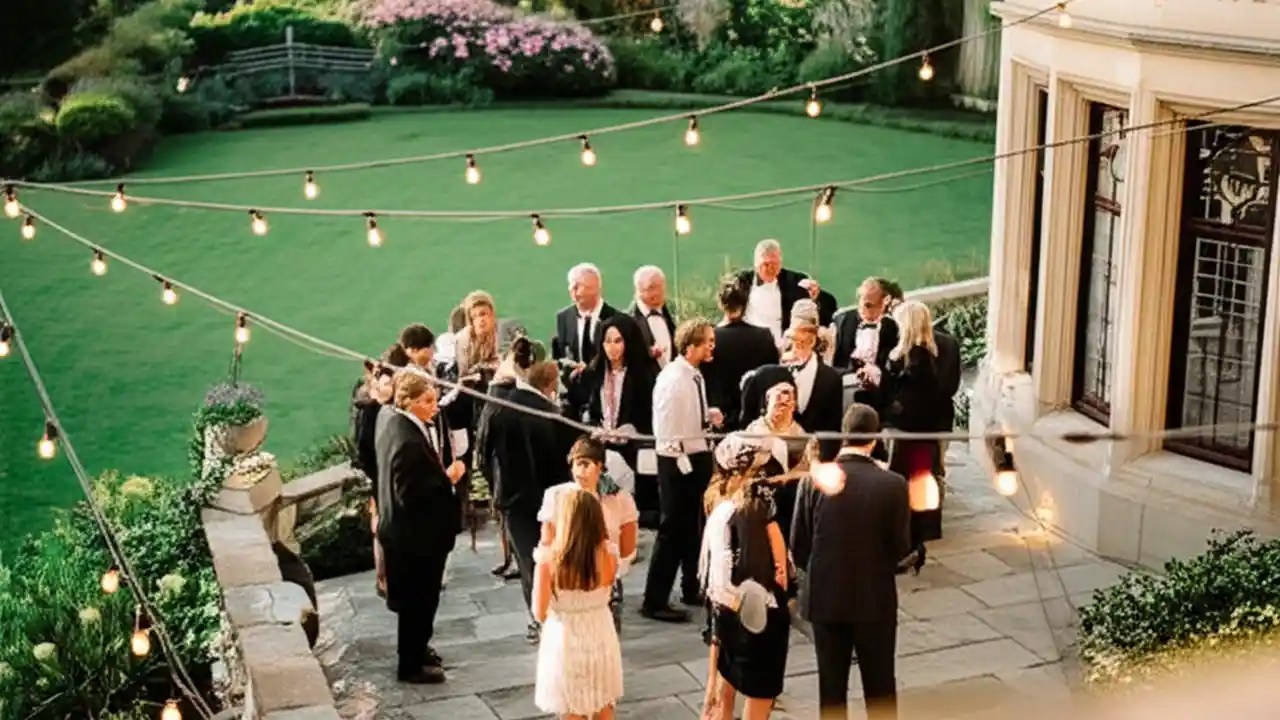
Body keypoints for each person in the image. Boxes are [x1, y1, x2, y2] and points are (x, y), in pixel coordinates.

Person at [791, 403, 911, 719]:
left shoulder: (812, 482)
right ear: (874, 439)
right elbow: (899, 549)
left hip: (826, 599)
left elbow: (799, 547)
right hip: (874, 599)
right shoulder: (893, 484)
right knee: (880, 685)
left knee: (831, 689)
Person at [374, 371, 467, 684]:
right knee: (419, 601)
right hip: (416, 539)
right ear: (409, 402)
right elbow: (411, 493)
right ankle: (410, 664)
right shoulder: (408, 441)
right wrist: (449, 478)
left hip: (408, 535)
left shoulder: (390, 422)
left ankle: (418, 648)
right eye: (427, 401)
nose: (435, 406)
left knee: (420, 602)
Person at [698, 433, 791, 720]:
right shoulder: (764, 513)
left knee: (728, 691)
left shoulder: (719, 512)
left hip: (729, 616)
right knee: (759, 698)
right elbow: (782, 572)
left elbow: (717, 582)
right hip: (765, 617)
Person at [488, 359, 576, 642]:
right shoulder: (554, 416)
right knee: (550, 558)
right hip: (549, 500)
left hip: (515, 501)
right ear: (551, 385)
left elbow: (485, 454)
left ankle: (537, 617)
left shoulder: (501, 407)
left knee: (530, 562)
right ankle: (551, 616)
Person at [642, 318, 723, 623]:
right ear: (691, 347)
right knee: (672, 531)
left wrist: (707, 416)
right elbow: (666, 431)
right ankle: (654, 600)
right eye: (708, 342)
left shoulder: (691, 376)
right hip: (679, 464)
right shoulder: (673, 379)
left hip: (694, 457)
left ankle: (691, 585)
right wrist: (684, 465)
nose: (712, 347)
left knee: (692, 529)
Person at [532, 490, 624, 719]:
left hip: (565, 638)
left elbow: (538, 612)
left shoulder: (548, 562)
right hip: (601, 633)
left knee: (571, 708)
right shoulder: (609, 555)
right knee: (604, 705)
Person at [538, 436, 639, 631]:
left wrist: (610, 567)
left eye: (586, 464)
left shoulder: (619, 499)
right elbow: (547, 542)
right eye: (576, 464)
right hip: (567, 578)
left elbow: (628, 546)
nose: (580, 471)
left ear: (600, 466)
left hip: (604, 577)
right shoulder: (556, 496)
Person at [563, 314, 656, 518]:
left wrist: (632, 430)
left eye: (617, 341)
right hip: (602, 447)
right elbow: (582, 406)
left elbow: (650, 414)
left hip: (633, 451)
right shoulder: (594, 372)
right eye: (607, 341)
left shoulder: (644, 374)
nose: (612, 347)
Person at [884, 300, 946, 573]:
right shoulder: (923, 356)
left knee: (909, 492)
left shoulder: (917, 359)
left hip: (913, 438)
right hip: (920, 437)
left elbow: (906, 403)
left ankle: (910, 547)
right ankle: (912, 546)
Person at [476, 332, 543, 581]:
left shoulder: (499, 391)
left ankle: (513, 558)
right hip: (508, 469)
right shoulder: (507, 390)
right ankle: (511, 557)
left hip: (507, 471)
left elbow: (483, 441)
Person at [741, 310, 843, 460]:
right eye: (790, 341)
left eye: (799, 342)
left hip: (813, 460)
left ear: (812, 342)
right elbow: (748, 419)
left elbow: (832, 429)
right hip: (771, 458)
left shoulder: (830, 378)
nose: (793, 347)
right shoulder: (768, 374)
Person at [352, 344, 409, 597]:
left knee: (384, 526)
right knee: (384, 526)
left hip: (380, 471)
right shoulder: (372, 407)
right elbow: (365, 446)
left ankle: (386, 577)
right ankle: (385, 578)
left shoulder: (367, 401)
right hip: (381, 472)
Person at [701, 275, 778, 431]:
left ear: (721, 304)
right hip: (757, 417)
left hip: (720, 419)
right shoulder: (764, 336)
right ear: (746, 304)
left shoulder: (709, 340)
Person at [744, 382, 809, 543]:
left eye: (787, 403)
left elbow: (810, 471)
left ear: (794, 406)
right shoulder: (753, 432)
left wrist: (783, 479)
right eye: (778, 402)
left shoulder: (802, 437)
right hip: (757, 502)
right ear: (767, 403)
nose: (782, 407)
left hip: (790, 505)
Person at [734, 239, 830, 348]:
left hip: (781, 345)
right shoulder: (742, 281)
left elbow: (815, 309)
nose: (771, 269)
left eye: (775, 264)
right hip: (750, 343)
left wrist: (815, 297)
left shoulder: (795, 281)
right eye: (766, 264)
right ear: (756, 264)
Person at [552, 263, 619, 373]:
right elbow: (559, 357)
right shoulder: (564, 318)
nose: (572, 290)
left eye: (577, 286)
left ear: (595, 288)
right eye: (571, 286)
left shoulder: (615, 319)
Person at [626, 265, 676, 369]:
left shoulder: (672, 313)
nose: (657, 292)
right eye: (651, 288)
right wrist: (647, 354)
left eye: (660, 286)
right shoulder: (627, 322)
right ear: (638, 290)